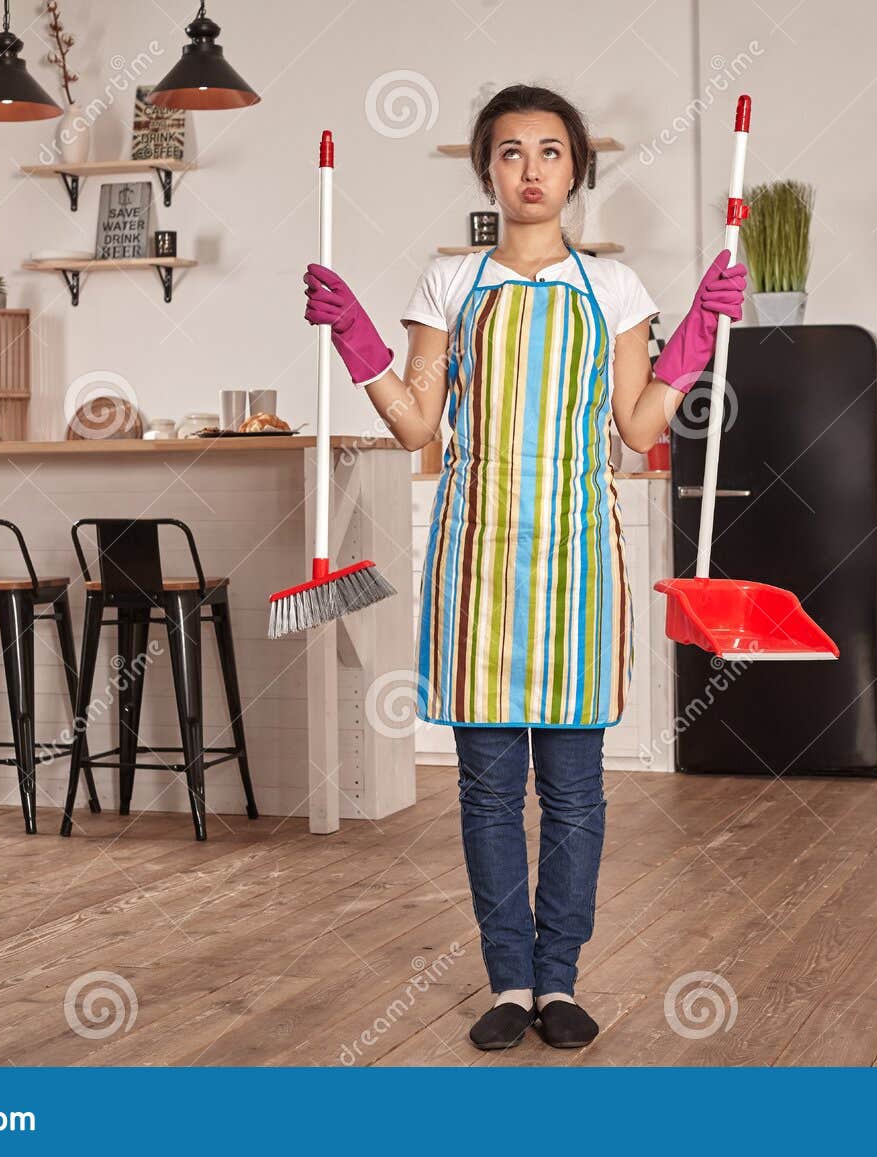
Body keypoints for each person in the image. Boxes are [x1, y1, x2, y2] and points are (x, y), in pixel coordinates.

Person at [303, 84, 745, 1051]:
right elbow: (416, 422)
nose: (532, 169)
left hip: (578, 564)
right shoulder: (450, 284)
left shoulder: (616, 290)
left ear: (576, 169)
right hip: (476, 564)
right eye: (512, 152)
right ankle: (509, 982)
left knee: (577, 792)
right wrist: (360, 343)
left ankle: (562, 980)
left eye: (551, 151)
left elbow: (636, 431)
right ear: (488, 170)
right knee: (489, 794)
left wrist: (693, 353)